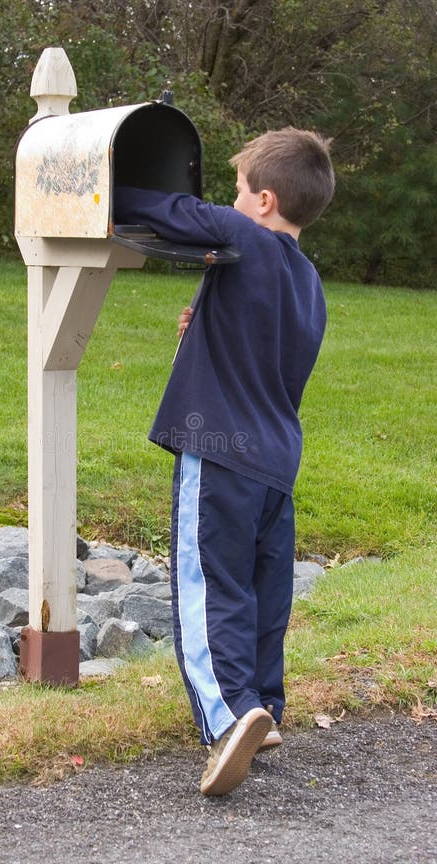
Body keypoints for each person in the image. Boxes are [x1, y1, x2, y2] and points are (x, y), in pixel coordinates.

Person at [114, 127, 335, 796]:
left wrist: (92, 184)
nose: (229, 201)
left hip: (220, 453)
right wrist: (201, 328)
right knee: (261, 594)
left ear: (265, 200)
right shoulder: (308, 282)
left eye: (238, 191)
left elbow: (175, 215)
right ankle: (263, 705)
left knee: (210, 589)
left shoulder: (247, 241)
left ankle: (227, 717)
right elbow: (253, 348)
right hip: (276, 464)